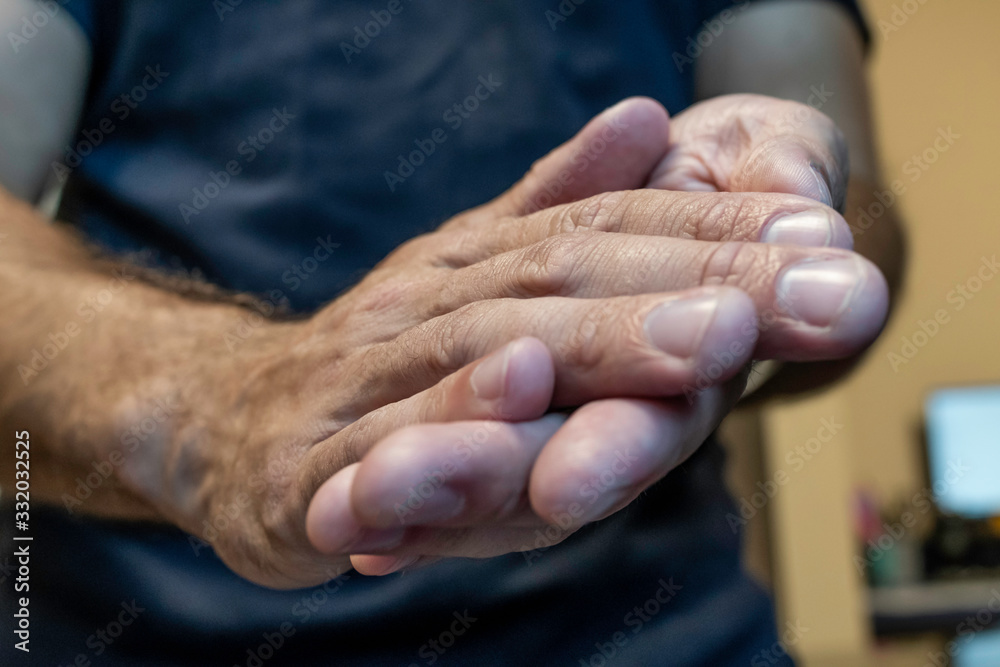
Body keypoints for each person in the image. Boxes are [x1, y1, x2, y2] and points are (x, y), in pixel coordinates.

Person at [0, 0, 903, 664]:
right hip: (125, 629)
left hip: (647, 630)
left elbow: (848, 188)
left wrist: (754, 235)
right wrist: (212, 412)